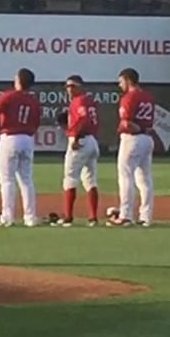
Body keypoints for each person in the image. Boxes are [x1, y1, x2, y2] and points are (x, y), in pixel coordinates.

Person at [0, 67, 43, 228]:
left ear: (18, 80)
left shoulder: (8, 96)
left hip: (10, 137)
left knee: (7, 180)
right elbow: (37, 123)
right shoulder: (33, 101)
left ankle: (7, 217)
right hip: (27, 139)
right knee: (26, 179)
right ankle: (30, 217)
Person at [115, 67, 158, 226]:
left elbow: (126, 122)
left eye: (121, 81)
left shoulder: (129, 97)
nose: (120, 85)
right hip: (147, 139)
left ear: (128, 80)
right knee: (145, 179)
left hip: (132, 139)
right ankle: (146, 216)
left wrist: (132, 128)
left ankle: (126, 215)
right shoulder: (148, 97)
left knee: (126, 176)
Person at [61, 75, 103, 226]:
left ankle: (68, 217)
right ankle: (93, 217)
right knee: (90, 179)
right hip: (92, 141)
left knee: (70, 177)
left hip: (81, 140)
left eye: (73, 86)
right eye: (67, 86)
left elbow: (84, 119)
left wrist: (77, 138)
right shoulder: (89, 101)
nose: (69, 89)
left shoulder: (78, 101)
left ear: (80, 87)